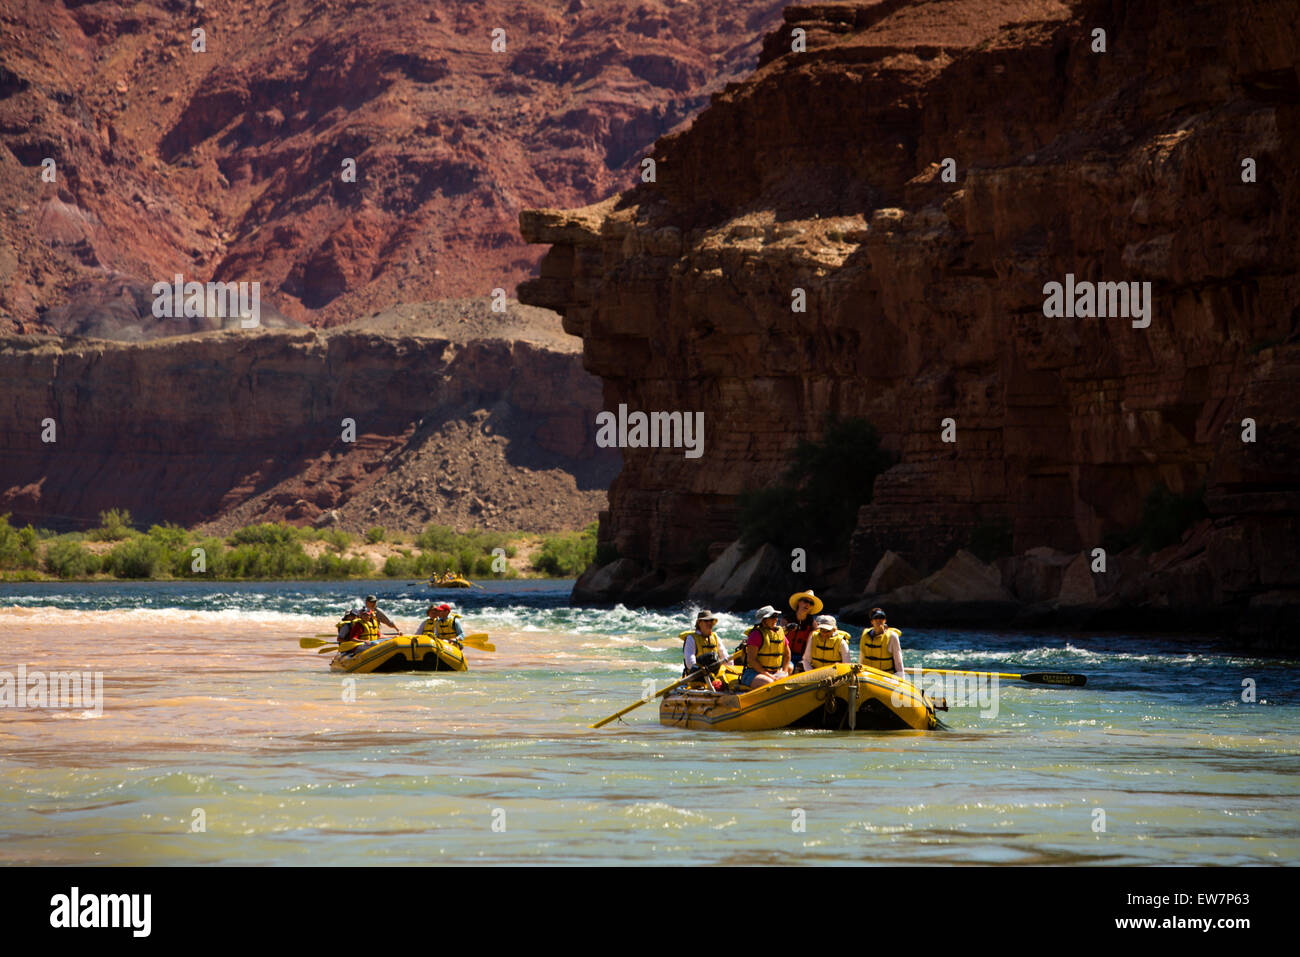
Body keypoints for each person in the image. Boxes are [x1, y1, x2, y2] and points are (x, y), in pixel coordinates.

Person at [740, 605, 789, 689]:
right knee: (769, 683)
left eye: (776, 616)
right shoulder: (756, 635)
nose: (776, 619)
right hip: (753, 673)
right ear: (764, 621)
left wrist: (784, 671)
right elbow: (751, 660)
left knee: (785, 679)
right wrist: (768, 675)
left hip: (774, 672)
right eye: (772, 617)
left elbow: (787, 655)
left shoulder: (779, 633)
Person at [680, 610, 728, 688]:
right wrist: (705, 674)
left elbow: (726, 658)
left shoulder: (715, 637)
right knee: (711, 656)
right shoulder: (691, 638)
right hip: (697, 676)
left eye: (711, 620)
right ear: (699, 623)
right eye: (706, 621)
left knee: (714, 657)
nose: (709, 623)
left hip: (714, 675)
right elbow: (690, 663)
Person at [784, 589, 823, 673]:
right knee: (789, 668)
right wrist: (787, 628)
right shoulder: (787, 619)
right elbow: (779, 633)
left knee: (801, 668)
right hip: (786, 655)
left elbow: (820, 635)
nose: (808, 604)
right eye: (805, 601)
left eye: (811, 603)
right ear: (799, 602)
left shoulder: (812, 623)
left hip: (802, 657)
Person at [859, 607, 904, 676]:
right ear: (872, 621)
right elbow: (861, 657)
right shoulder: (865, 636)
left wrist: (901, 680)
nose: (879, 620)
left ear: (885, 620)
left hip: (886, 677)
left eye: (881, 618)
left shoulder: (892, 637)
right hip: (868, 675)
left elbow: (898, 662)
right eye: (876, 618)